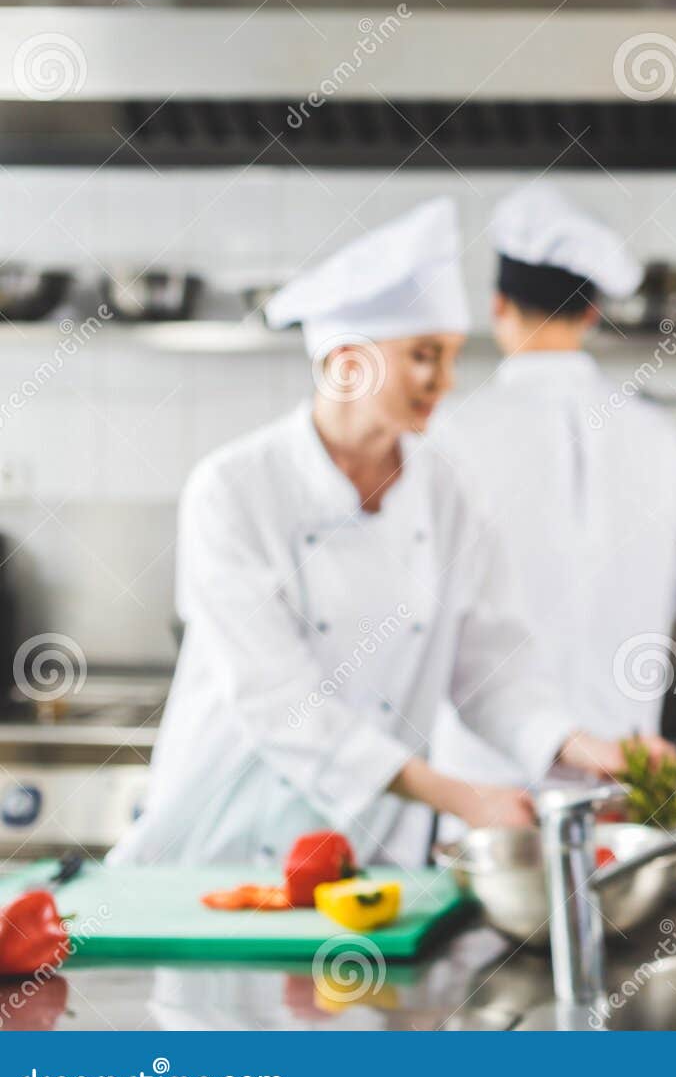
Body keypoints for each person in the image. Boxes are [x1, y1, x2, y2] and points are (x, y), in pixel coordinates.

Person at [112, 198, 627, 869]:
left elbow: (488, 667)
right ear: (347, 361)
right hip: (223, 842)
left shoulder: (450, 490)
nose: (444, 381)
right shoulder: (234, 489)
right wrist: (457, 796)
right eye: (423, 356)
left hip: (369, 851)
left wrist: (573, 744)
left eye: (448, 356)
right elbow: (280, 703)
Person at [429, 184, 676, 793]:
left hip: (485, 788)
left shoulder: (450, 433)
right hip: (619, 770)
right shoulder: (655, 432)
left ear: (498, 306)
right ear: (591, 312)